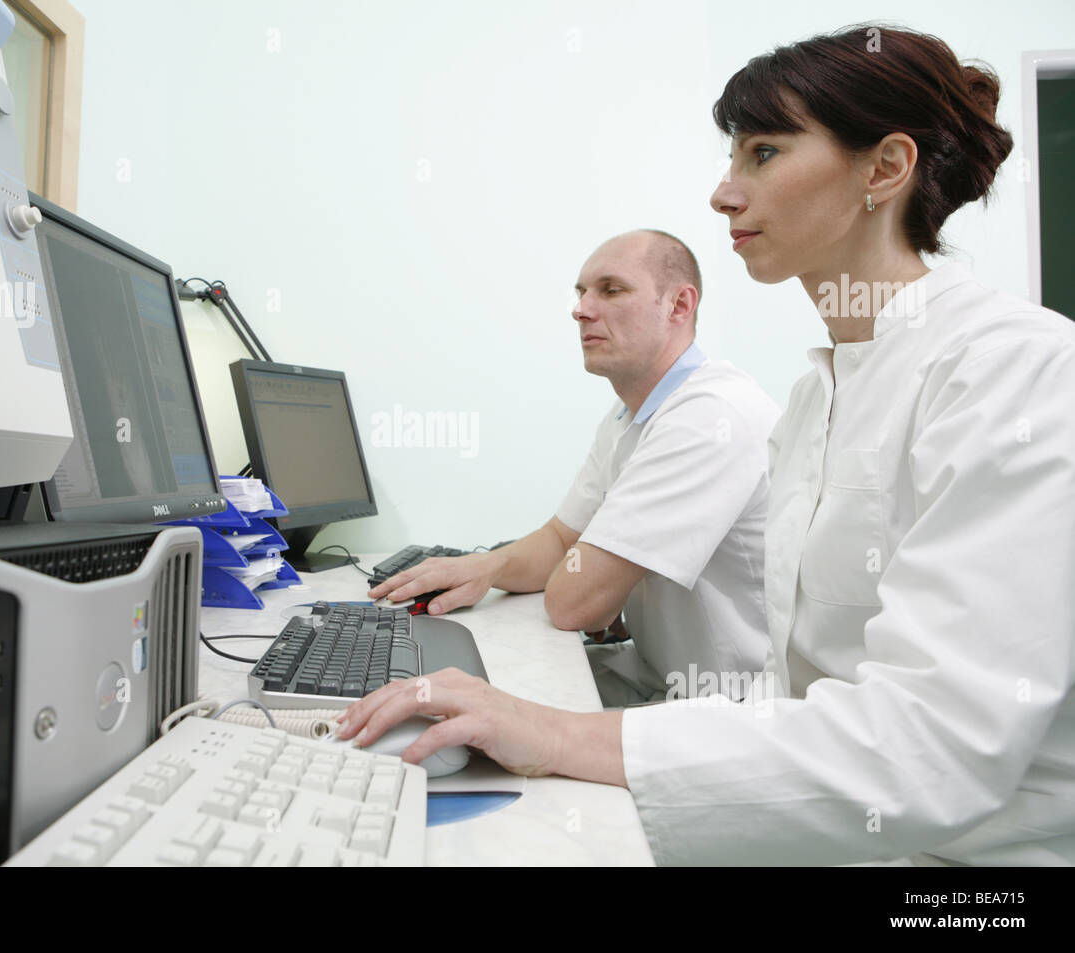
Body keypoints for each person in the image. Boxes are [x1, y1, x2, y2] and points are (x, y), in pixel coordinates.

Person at [339, 24, 1075, 865]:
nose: (724, 194)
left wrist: (559, 734)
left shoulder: (1014, 371)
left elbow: (928, 753)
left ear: (885, 169)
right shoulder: (817, 395)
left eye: (763, 153)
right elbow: (797, 690)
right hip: (837, 814)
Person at [368, 229, 780, 704]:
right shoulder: (627, 418)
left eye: (611, 290)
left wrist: (584, 581)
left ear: (679, 306)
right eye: (581, 292)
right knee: (462, 685)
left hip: (730, 710)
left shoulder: (711, 416)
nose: (581, 309)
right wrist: (485, 566)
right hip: (660, 679)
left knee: (470, 712)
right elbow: (561, 540)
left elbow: (574, 604)